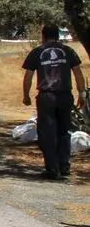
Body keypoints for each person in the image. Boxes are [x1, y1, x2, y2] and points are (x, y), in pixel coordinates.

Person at [22, 25, 87, 179]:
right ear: (58, 36)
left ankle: (52, 169)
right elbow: (78, 73)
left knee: (47, 133)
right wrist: (82, 93)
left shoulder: (38, 52)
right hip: (65, 96)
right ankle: (64, 167)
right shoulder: (68, 51)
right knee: (64, 132)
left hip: (46, 98)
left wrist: (26, 95)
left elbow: (28, 76)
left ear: (43, 36)